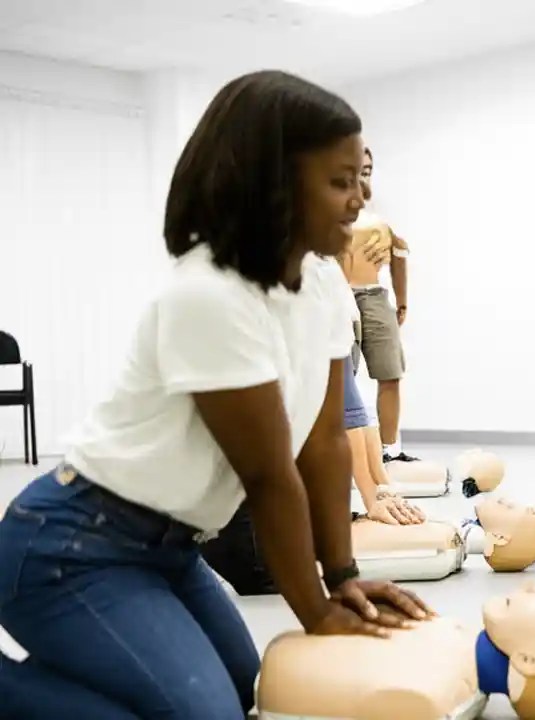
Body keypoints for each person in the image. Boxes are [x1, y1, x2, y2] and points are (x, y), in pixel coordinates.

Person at [0, 70, 429, 720]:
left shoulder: (320, 289)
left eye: (362, 179)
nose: (360, 199)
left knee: (243, 695)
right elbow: (268, 476)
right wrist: (316, 612)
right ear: (274, 186)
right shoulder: (208, 297)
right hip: (74, 546)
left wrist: (343, 578)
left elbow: (322, 443)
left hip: (173, 550)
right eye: (341, 181)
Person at [200, 270, 425, 597]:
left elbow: (351, 413)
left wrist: (378, 487)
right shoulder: (311, 289)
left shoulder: (324, 287)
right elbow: (343, 419)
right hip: (236, 523)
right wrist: (372, 494)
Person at [340, 147, 416, 463]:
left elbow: (400, 255)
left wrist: (402, 302)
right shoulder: (317, 219)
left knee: (390, 372)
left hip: (373, 296)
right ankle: (344, 449)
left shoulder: (379, 223)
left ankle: (390, 450)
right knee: (343, 375)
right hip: (337, 299)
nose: (362, 178)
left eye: (367, 171)